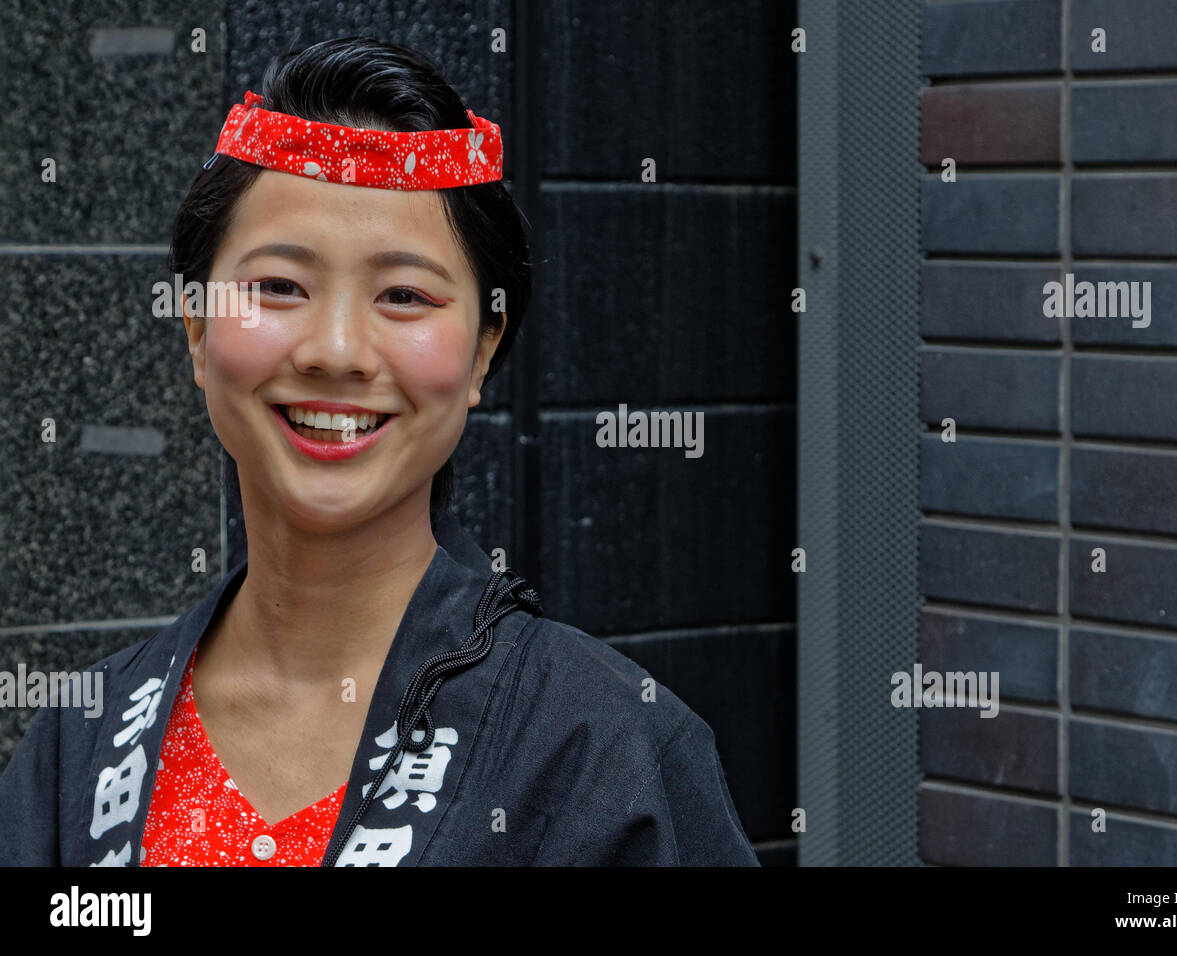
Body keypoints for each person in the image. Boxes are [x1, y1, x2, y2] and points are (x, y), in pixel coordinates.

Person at [0, 36, 758, 867]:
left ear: (480, 350)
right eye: (279, 286)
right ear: (195, 328)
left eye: (404, 295)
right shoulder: (83, 736)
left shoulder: (605, 747)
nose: (336, 350)